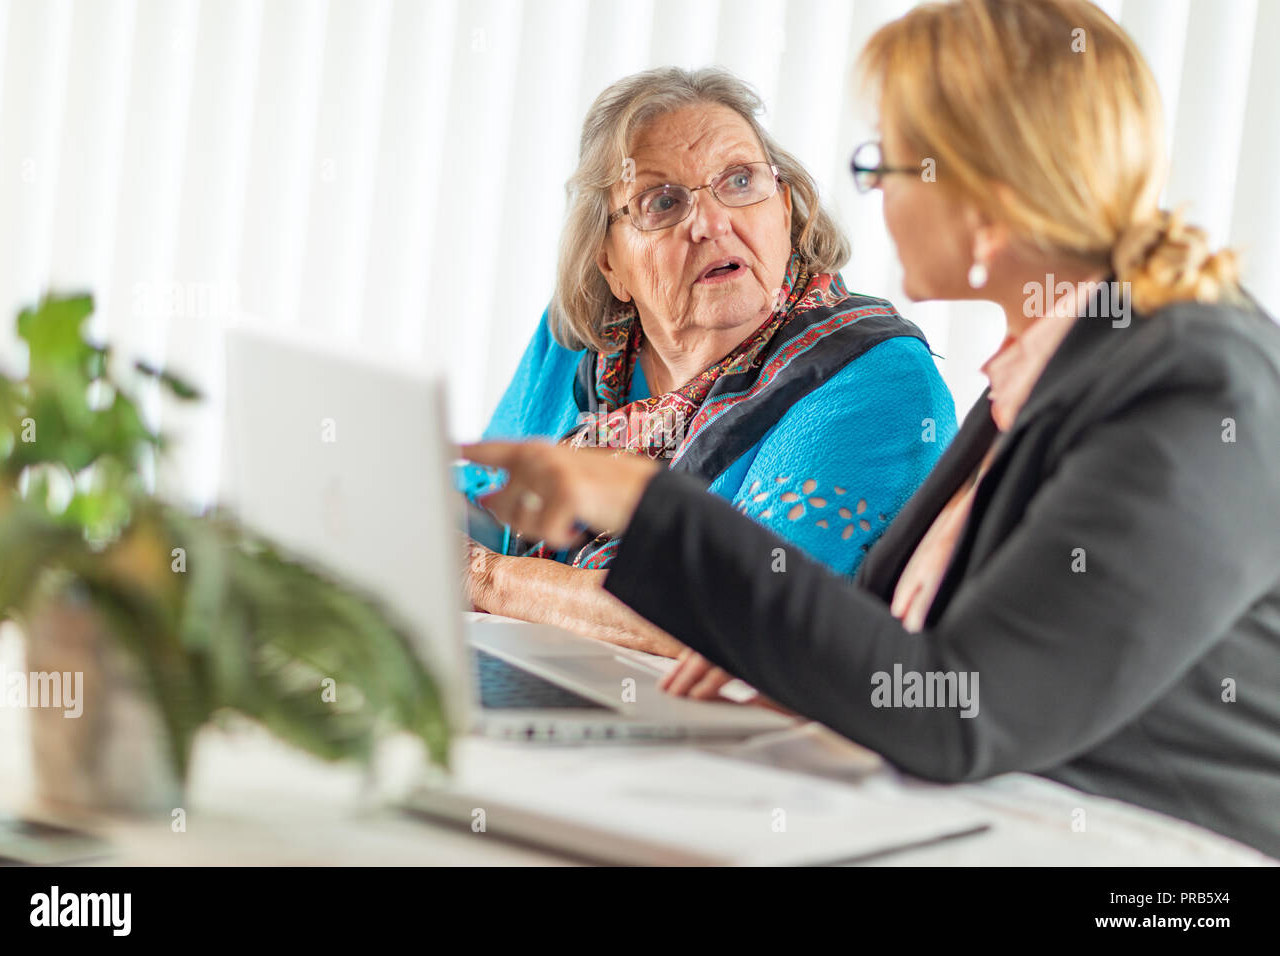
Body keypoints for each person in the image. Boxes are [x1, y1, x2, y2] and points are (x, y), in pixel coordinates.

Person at [463, 0, 1280, 858]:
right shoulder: (1046, 367)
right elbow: (899, 637)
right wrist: (774, 651)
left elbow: (961, 711)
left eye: (888, 162)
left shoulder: (1198, 386)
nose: (873, 191)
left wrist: (638, 498)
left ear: (986, 194)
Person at [461, 66, 955, 657]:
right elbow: (477, 507)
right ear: (610, 265)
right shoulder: (577, 341)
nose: (713, 222)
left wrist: (487, 580)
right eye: (663, 201)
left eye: (741, 181)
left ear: (787, 210)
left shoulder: (874, 379)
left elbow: (739, 616)